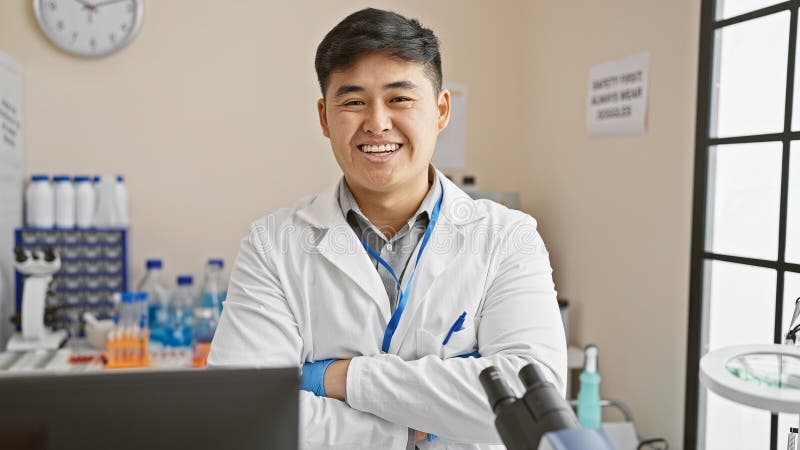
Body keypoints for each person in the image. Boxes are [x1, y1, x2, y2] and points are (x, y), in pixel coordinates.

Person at [208, 8, 566, 450]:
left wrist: (335, 377)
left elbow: (532, 403)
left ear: (440, 110)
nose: (377, 123)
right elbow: (244, 418)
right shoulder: (273, 246)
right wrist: (412, 425)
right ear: (324, 117)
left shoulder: (508, 237)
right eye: (354, 101)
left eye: (399, 99)